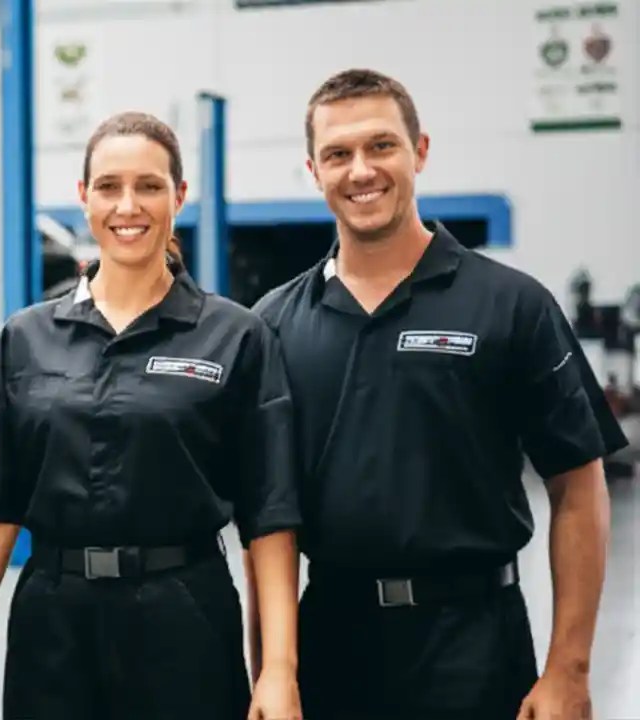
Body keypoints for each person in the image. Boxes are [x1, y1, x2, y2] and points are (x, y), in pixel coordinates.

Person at [249, 67, 623, 720]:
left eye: (381, 145)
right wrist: (270, 673)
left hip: (474, 644)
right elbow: (267, 519)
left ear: (419, 151)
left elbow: (577, 485)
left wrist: (569, 667)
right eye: (337, 154)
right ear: (313, 171)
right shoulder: (274, 324)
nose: (361, 169)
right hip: (332, 642)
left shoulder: (511, 305)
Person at [0, 111, 304, 720]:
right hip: (52, 627)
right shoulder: (26, 338)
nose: (127, 206)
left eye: (149, 186)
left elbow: (269, 520)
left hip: (184, 619)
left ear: (179, 196)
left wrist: (278, 670)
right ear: (84, 198)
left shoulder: (236, 336)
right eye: (108, 186)